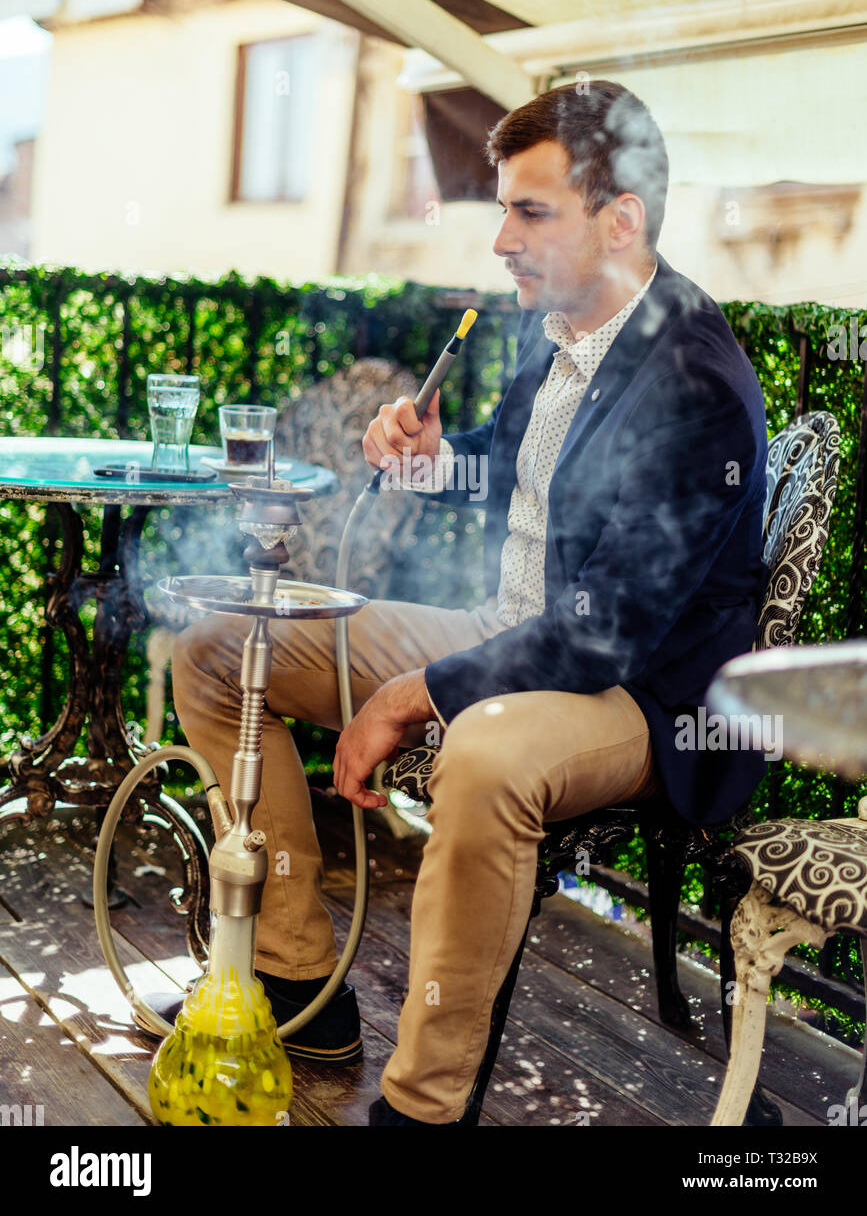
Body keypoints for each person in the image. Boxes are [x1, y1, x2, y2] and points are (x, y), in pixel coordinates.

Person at [168, 80, 769, 1127]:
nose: (500, 239)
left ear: (620, 218)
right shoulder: (559, 326)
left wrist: (417, 693)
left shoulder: (695, 379)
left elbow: (606, 631)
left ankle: (422, 1107)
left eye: (529, 211)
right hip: (513, 632)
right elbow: (516, 471)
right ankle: (298, 984)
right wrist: (435, 459)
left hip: (642, 692)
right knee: (221, 646)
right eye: (503, 207)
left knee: (485, 753)